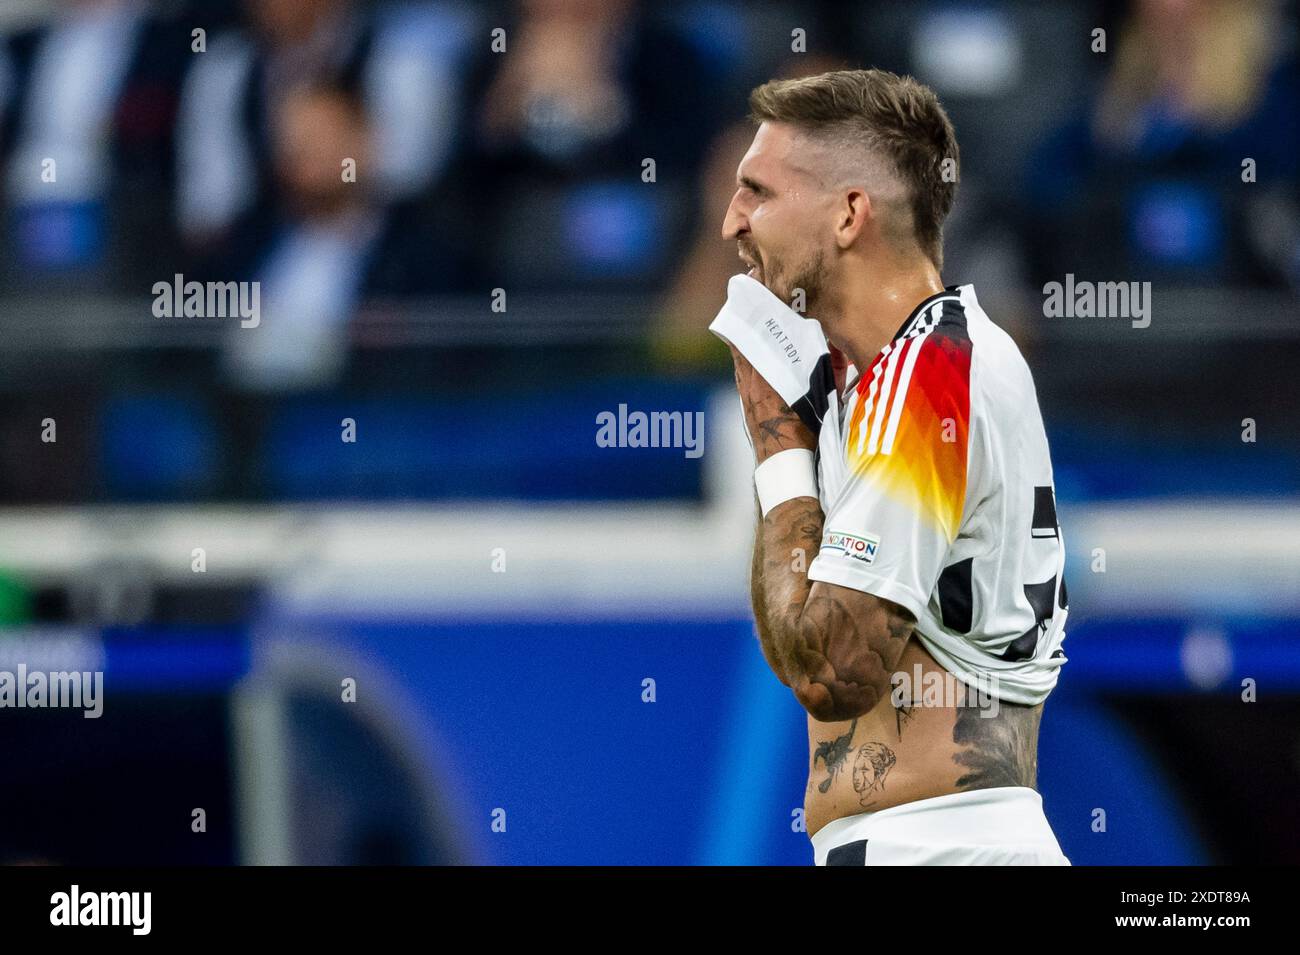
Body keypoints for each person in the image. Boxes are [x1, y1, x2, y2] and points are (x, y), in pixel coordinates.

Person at [720, 69, 1070, 865]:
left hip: (949, 845)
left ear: (849, 214)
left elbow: (834, 669)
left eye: (758, 191)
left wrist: (778, 451)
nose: (731, 220)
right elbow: (795, 638)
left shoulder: (936, 373)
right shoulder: (862, 391)